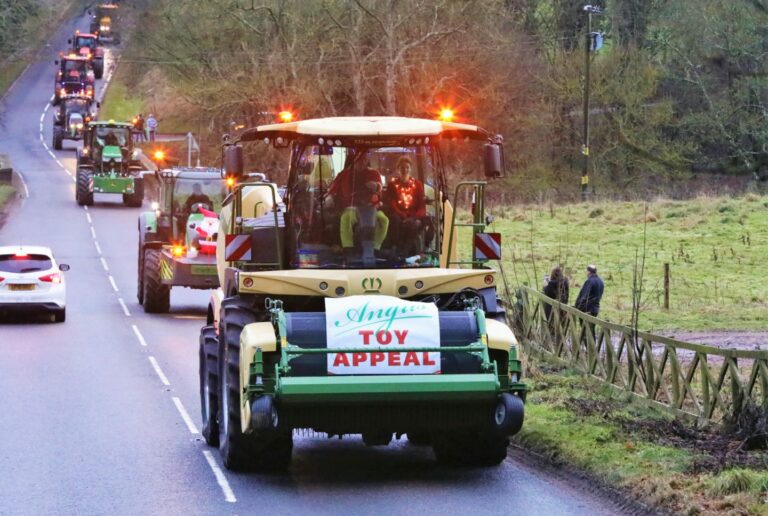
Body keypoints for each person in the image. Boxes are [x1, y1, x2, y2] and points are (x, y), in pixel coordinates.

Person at [327, 154, 389, 256]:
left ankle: (375, 248)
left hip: (371, 208)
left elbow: (380, 188)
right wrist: (330, 197)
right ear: (354, 160)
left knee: (384, 220)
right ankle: (348, 248)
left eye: (364, 159)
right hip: (352, 208)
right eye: (359, 160)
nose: (362, 162)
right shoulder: (344, 174)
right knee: (346, 218)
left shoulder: (374, 173)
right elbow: (332, 188)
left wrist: (376, 186)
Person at [382, 156, 432, 255]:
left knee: (415, 224)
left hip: (414, 215)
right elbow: (392, 203)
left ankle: (407, 250)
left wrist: (414, 217)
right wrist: (403, 215)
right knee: (394, 220)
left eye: (407, 167)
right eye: (402, 167)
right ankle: (395, 247)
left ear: (410, 169)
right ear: (398, 169)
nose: (405, 170)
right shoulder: (393, 184)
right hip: (398, 214)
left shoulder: (417, 184)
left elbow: (421, 205)